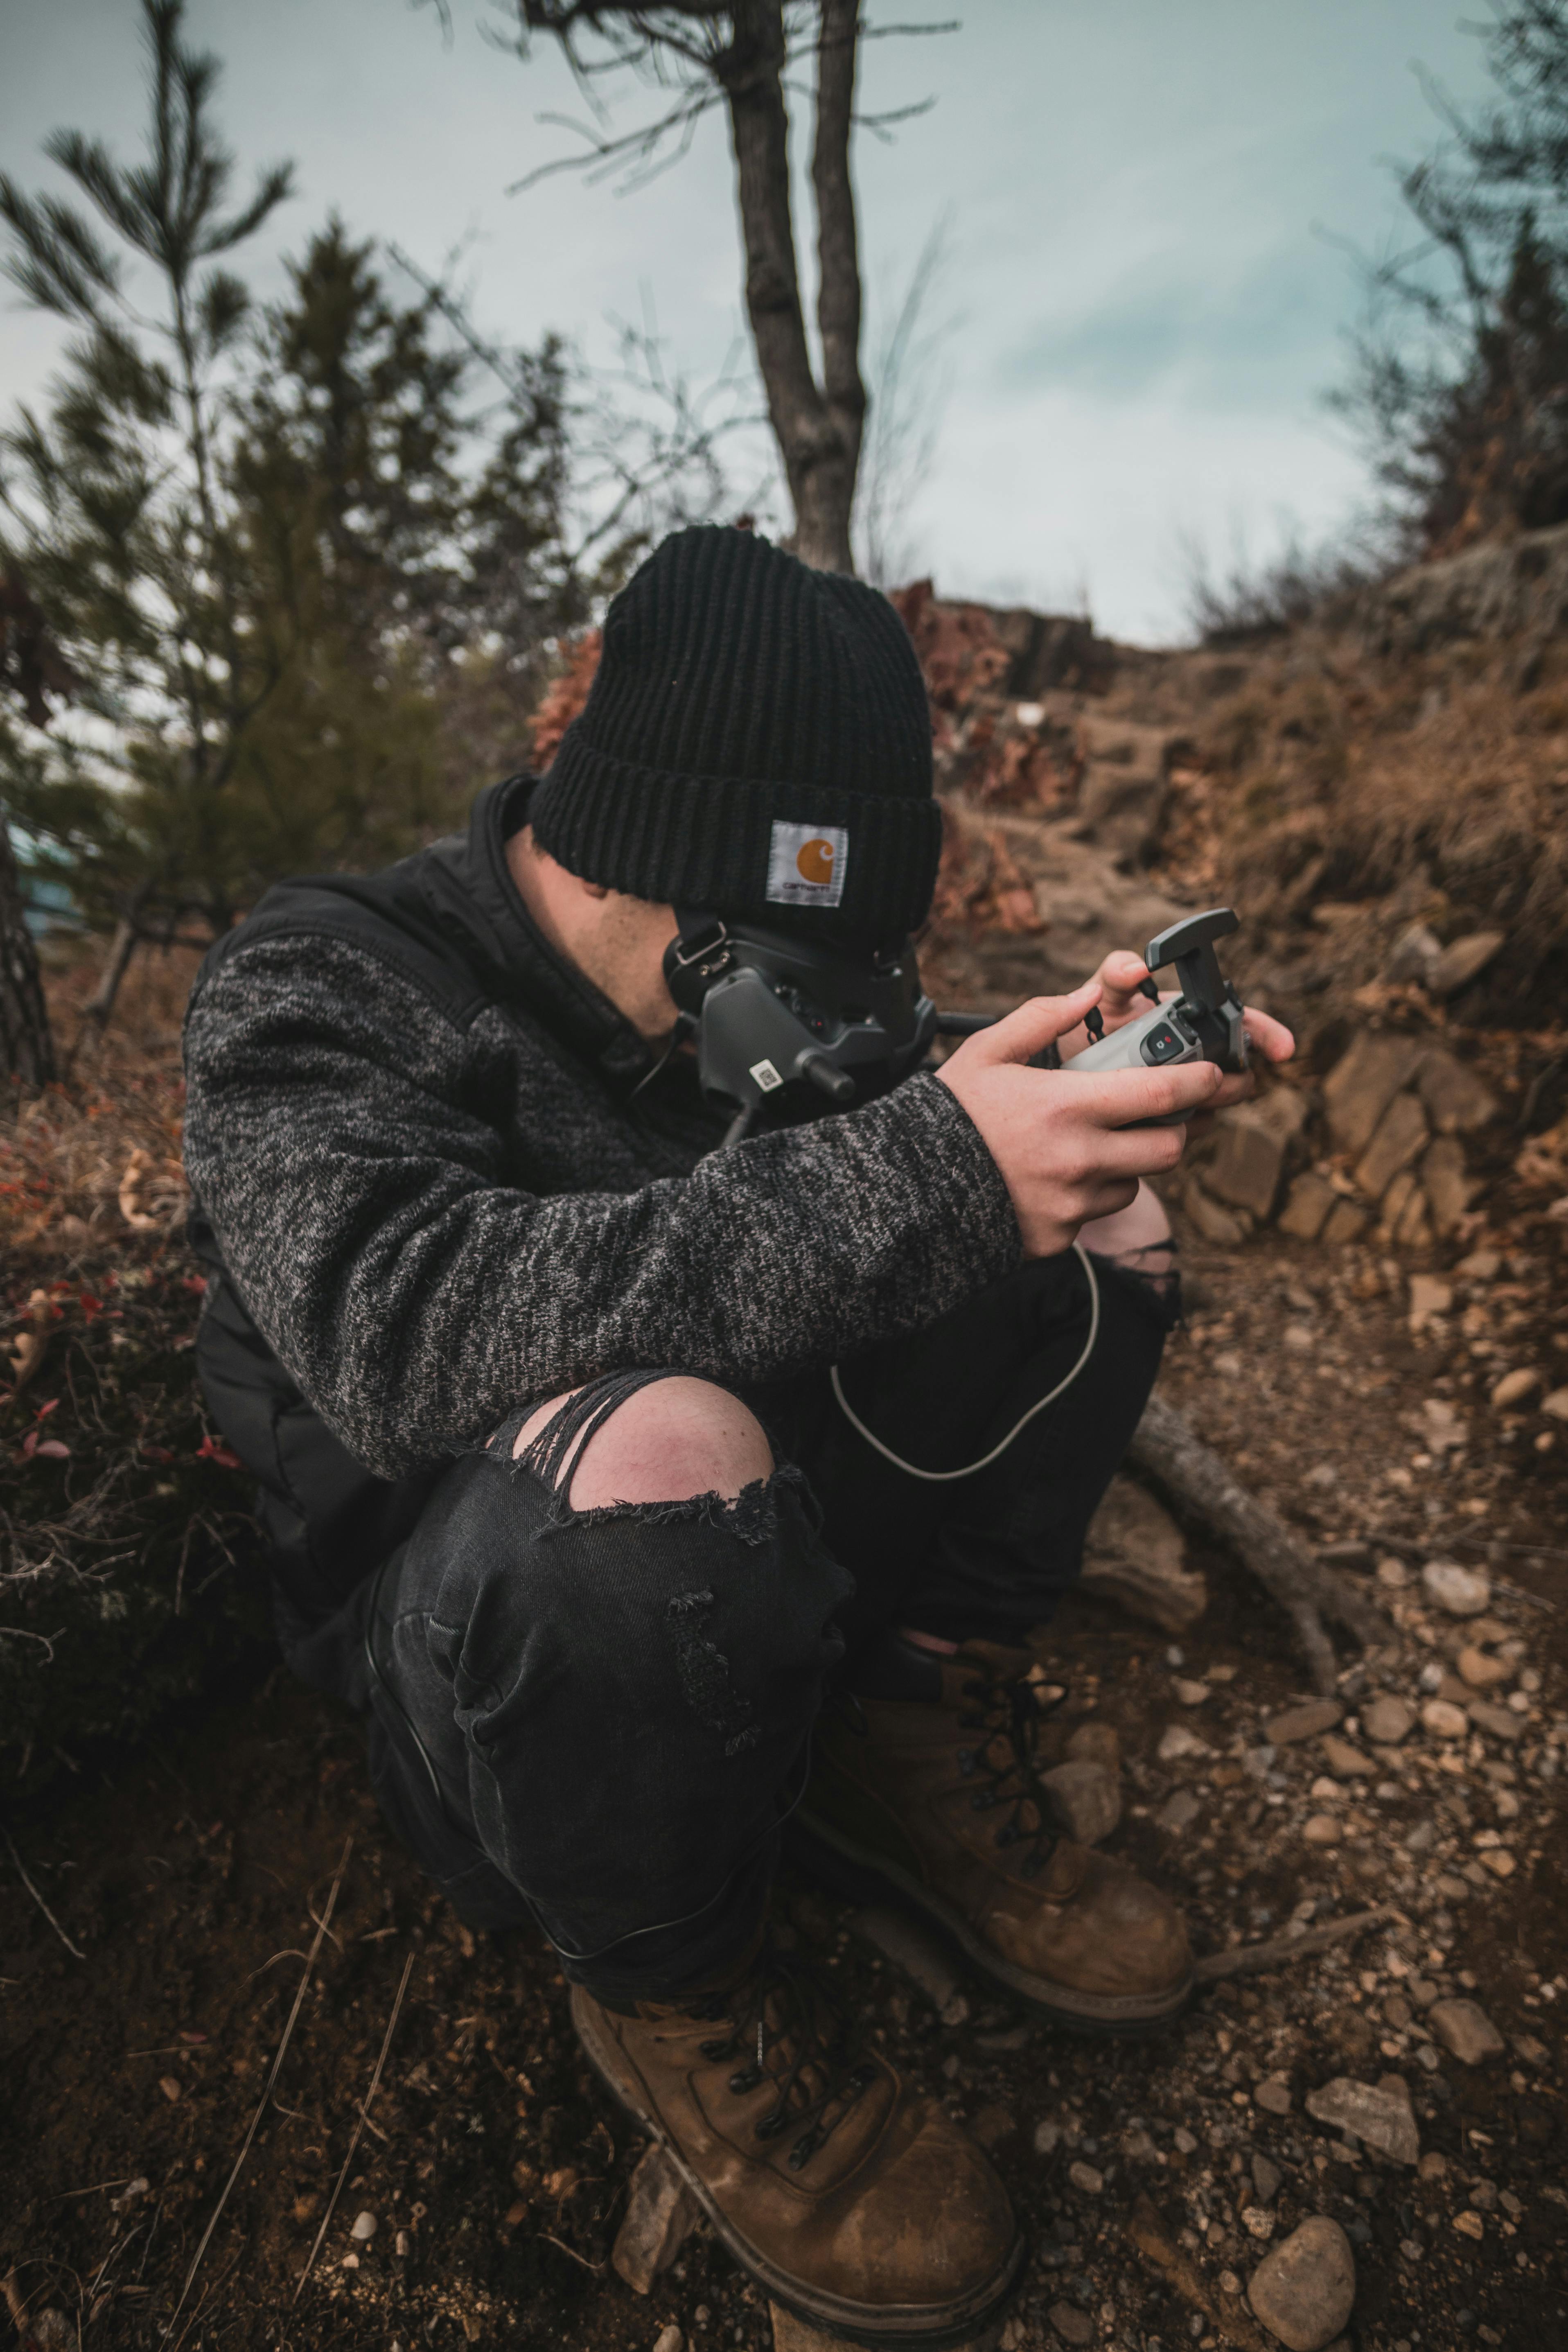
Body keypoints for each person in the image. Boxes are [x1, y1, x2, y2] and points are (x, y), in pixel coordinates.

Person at [183, 525, 1292, 2345]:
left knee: (1102, 1227)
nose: (839, 1018)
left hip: (746, 1526)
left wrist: (1062, 1080)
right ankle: (669, 1986)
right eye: (810, 966)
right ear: (678, 885)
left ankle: (904, 1718)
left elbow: (882, 1099)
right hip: (482, 1639)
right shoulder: (321, 987)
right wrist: (929, 1170)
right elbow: (396, 1329)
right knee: (659, 1446)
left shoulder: (751, 994)